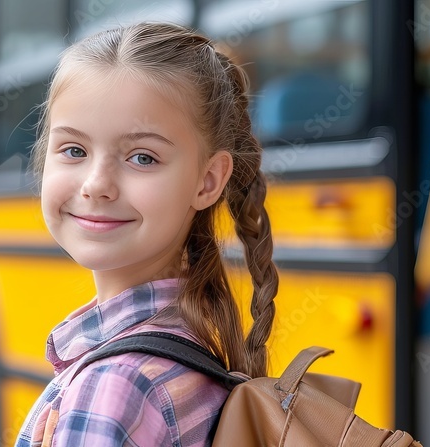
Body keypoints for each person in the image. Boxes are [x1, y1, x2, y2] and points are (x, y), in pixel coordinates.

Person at [16, 22, 278, 446]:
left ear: (208, 181)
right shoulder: (190, 344)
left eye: (142, 157)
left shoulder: (113, 387)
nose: (96, 183)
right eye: (74, 150)